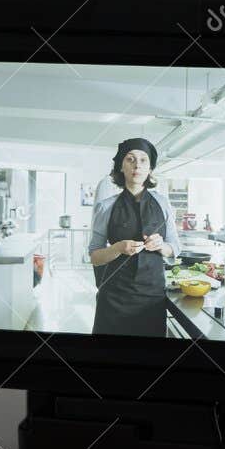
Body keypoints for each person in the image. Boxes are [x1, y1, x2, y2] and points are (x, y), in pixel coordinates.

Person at [88, 137, 179, 336]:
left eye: (143, 160)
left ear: (150, 169)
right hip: (114, 297)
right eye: (130, 159)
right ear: (121, 166)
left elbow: (175, 247)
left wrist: (161, 245)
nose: (137, 165)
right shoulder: (106, 207)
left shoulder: (163, 203)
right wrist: (117, 248)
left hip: (152, 297)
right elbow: (94, 255)